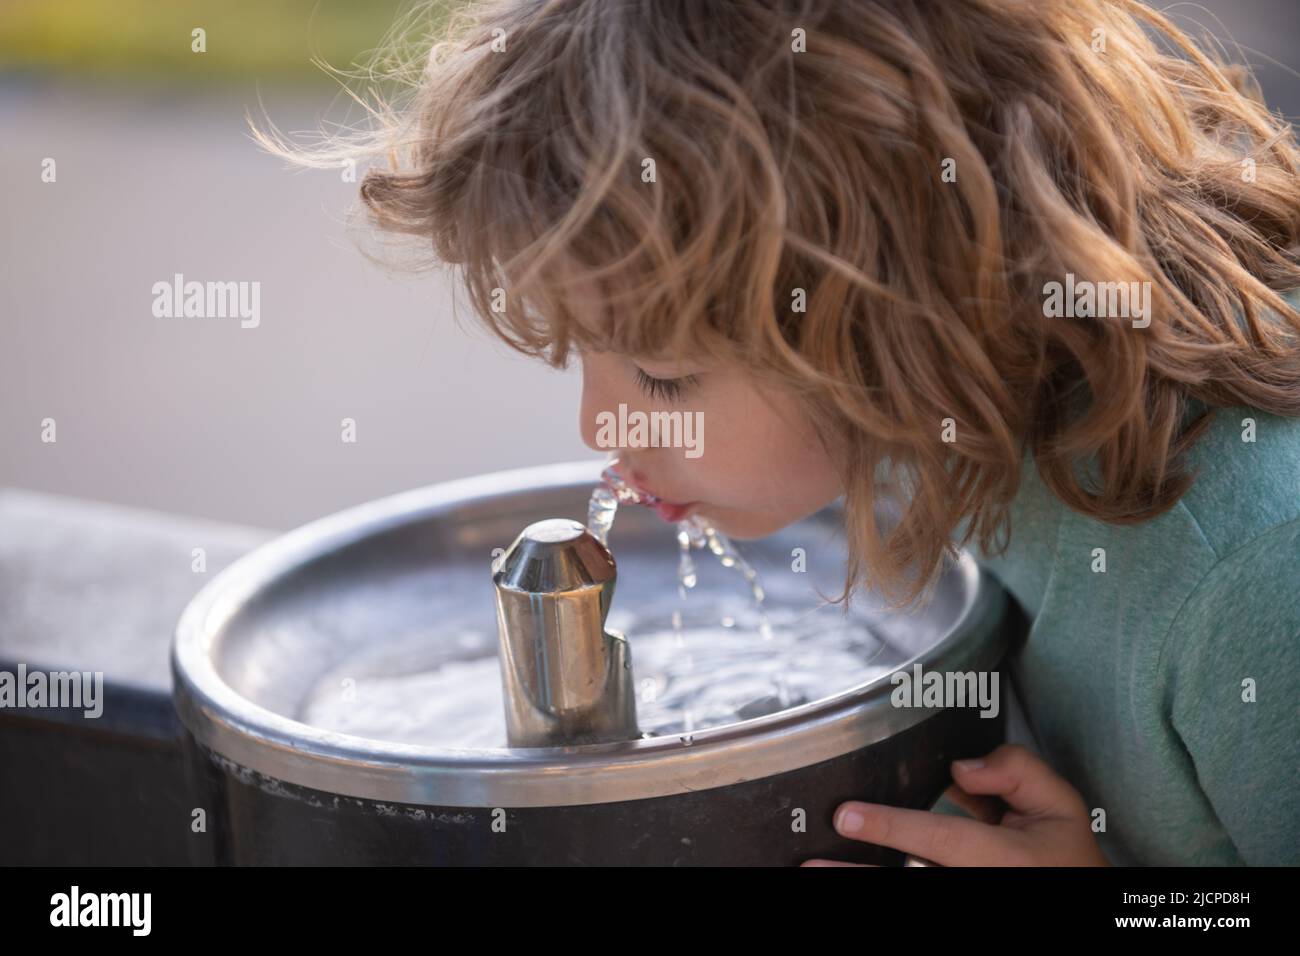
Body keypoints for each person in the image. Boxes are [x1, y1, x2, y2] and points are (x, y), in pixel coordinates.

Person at [255, 0, 1300, 865]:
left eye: (661, 372)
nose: (599, 424)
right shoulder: (938, 424)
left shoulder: (1254, 574)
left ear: (896, 304)